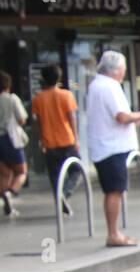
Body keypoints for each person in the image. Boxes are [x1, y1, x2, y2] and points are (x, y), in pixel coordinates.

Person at [85, 51, 140, 246]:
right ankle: (113, 234)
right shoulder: (109, 87)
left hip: (106, 144)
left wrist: (137, 120)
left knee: (115, 189)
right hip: (111, 147)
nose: (124, 73)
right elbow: (122, 116)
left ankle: (115, 232)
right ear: (115, 70)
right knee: (115, 190)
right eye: (123, 69)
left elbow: (117, 119)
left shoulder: (97, 85)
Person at [30, 65, 81, 217]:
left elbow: (38, 122)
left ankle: (60, 197)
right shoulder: (66, 95)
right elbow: (72, 118)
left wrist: (41, 140)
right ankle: (65, 192)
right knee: (76, 170)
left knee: (54, 175)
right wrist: (76, 138)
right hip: (67, 140)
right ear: (58, 78)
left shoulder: (38, 99)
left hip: (49, 143)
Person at [0, 70, 28, 216]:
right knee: (21, 172)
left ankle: (7, 205)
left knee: (4, 174)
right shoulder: (12, 99)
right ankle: (11, 193)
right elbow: (22, 119)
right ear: (7, 85)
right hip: (10, 139)